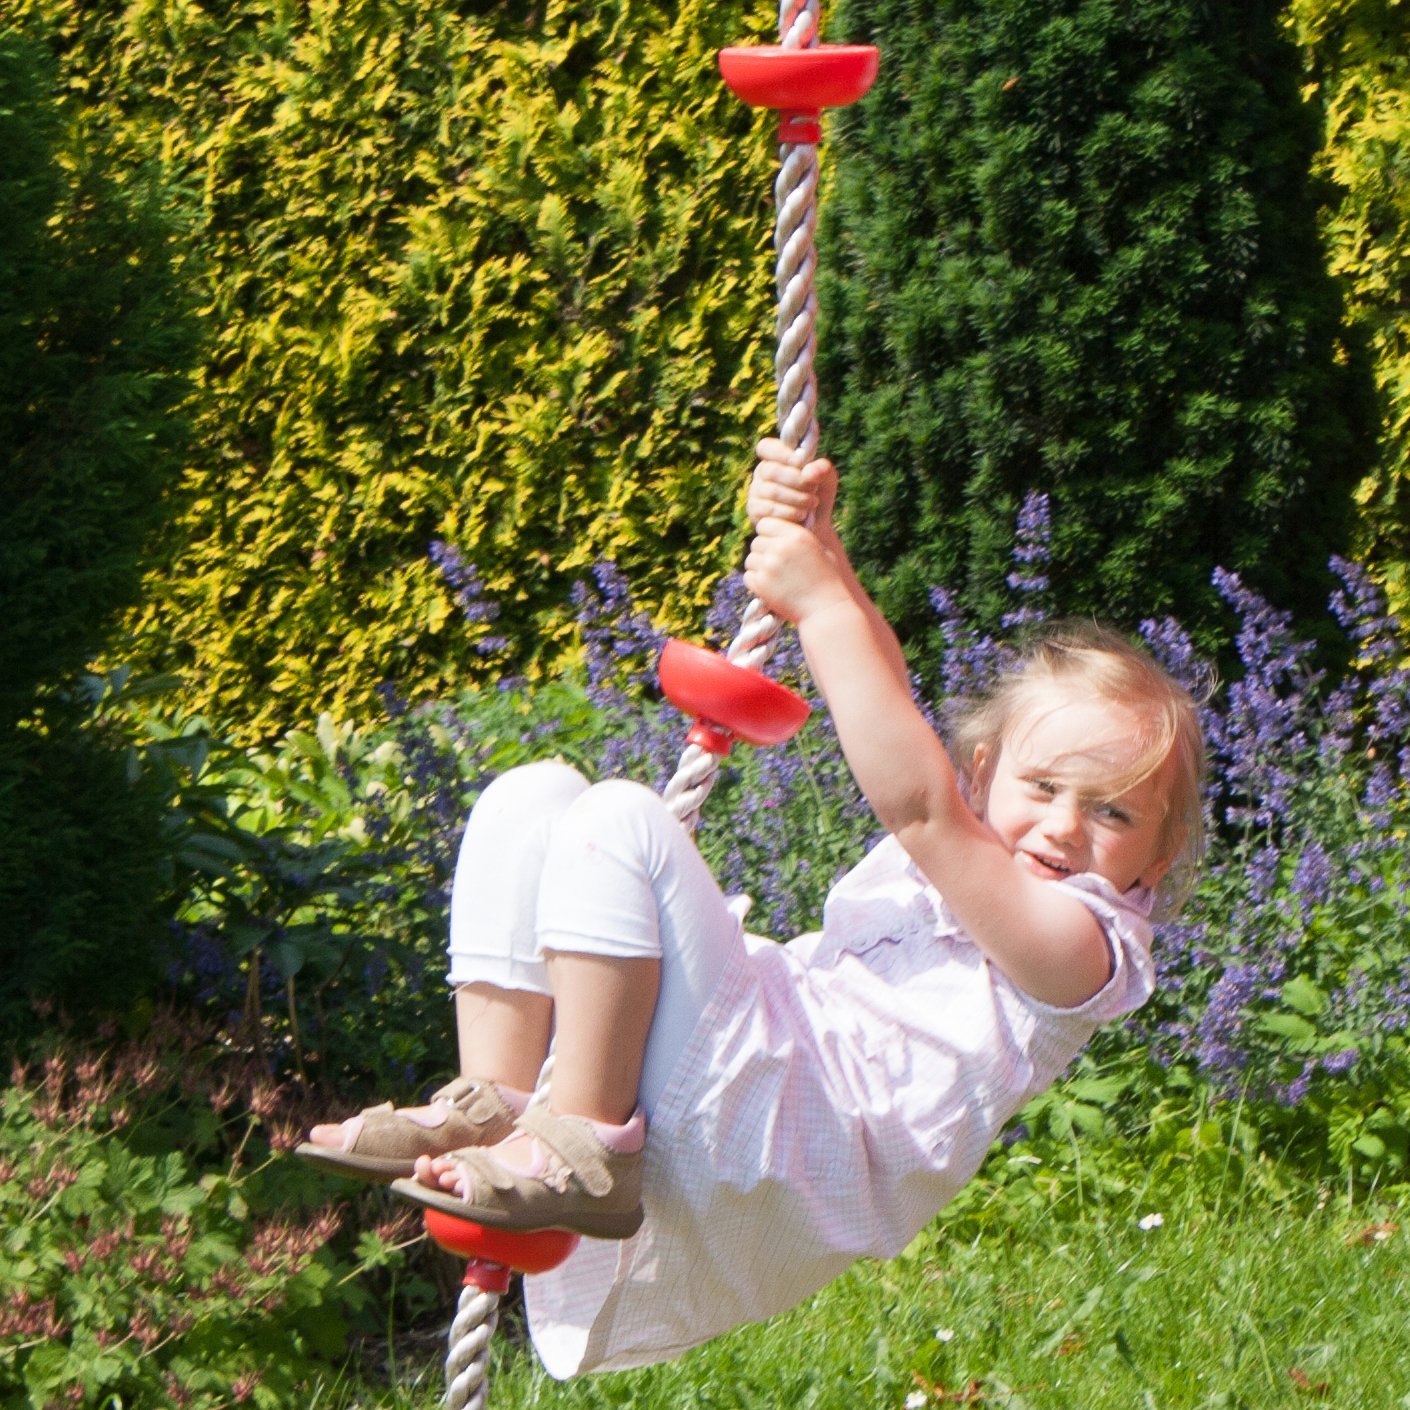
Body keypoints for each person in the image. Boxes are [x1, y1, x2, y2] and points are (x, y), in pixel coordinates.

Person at [298, 437, 1206, 1377]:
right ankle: (500, 1103)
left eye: (1113, 811)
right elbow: (889, 691)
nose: (1063, 828)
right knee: (526, 799)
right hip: (764, 1056)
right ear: (986, 770)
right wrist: (823, 546)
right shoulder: (980, 839)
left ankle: (587, 1147)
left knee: (621, 822)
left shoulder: (1082, 947)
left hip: (797, 1126)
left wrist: (814, 601)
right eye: (1044, 786)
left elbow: (921, 806)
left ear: (1160, 849)